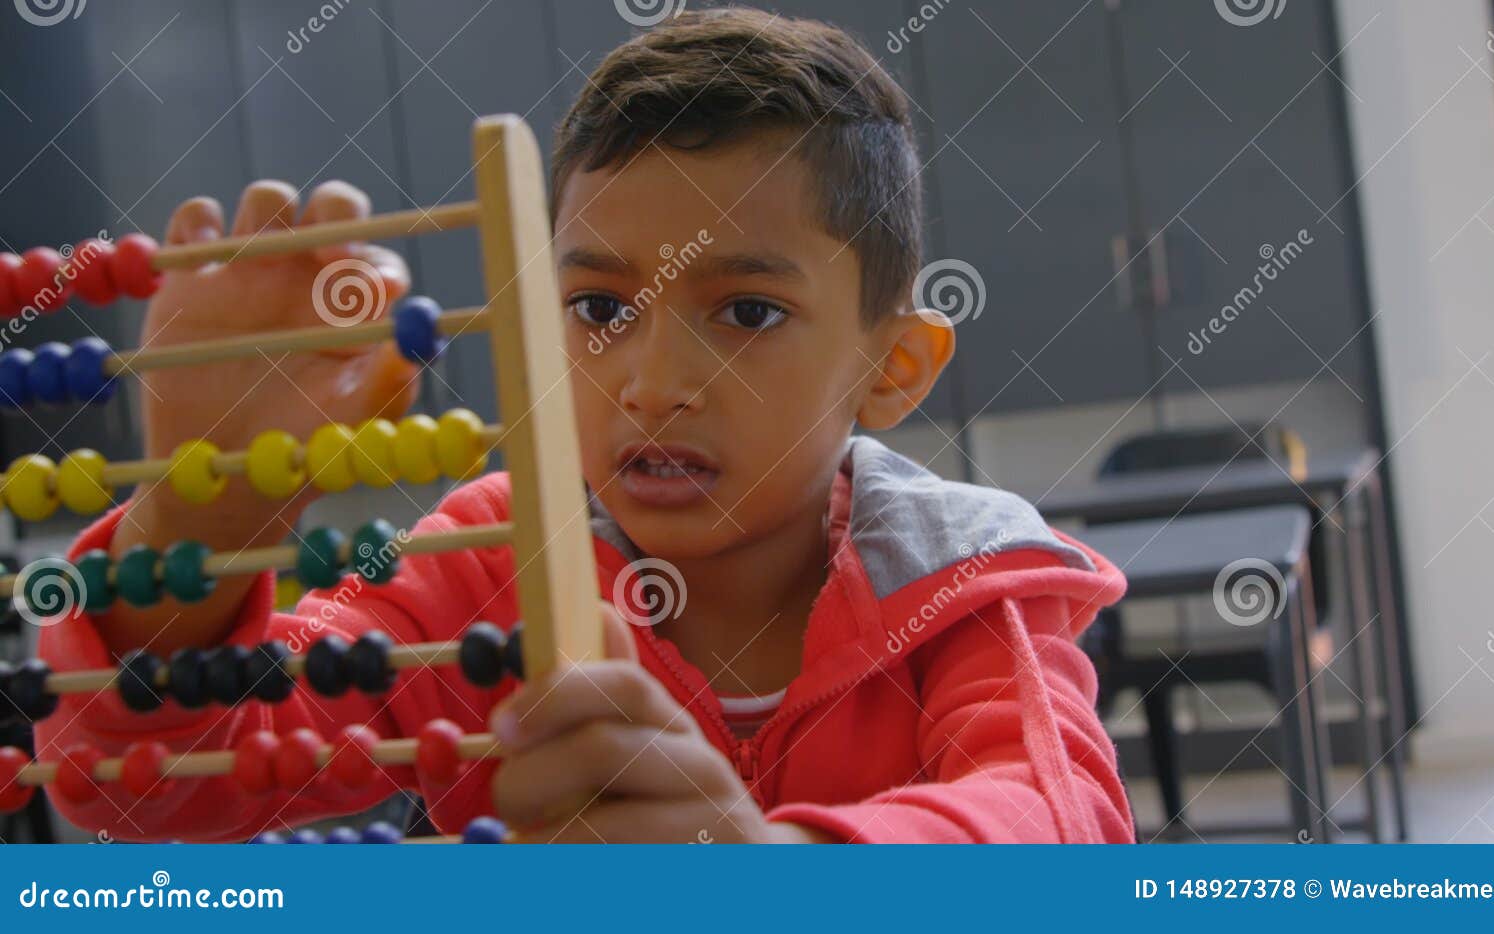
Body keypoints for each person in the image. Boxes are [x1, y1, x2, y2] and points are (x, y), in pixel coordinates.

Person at [38, 8, 1134, 843]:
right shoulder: (487, 563)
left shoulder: (959, 582)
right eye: (601, 308)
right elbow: (145, 786)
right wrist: (203, 516)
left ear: (891, 367)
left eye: (748, 312)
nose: (652, 383)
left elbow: (1057, 821)